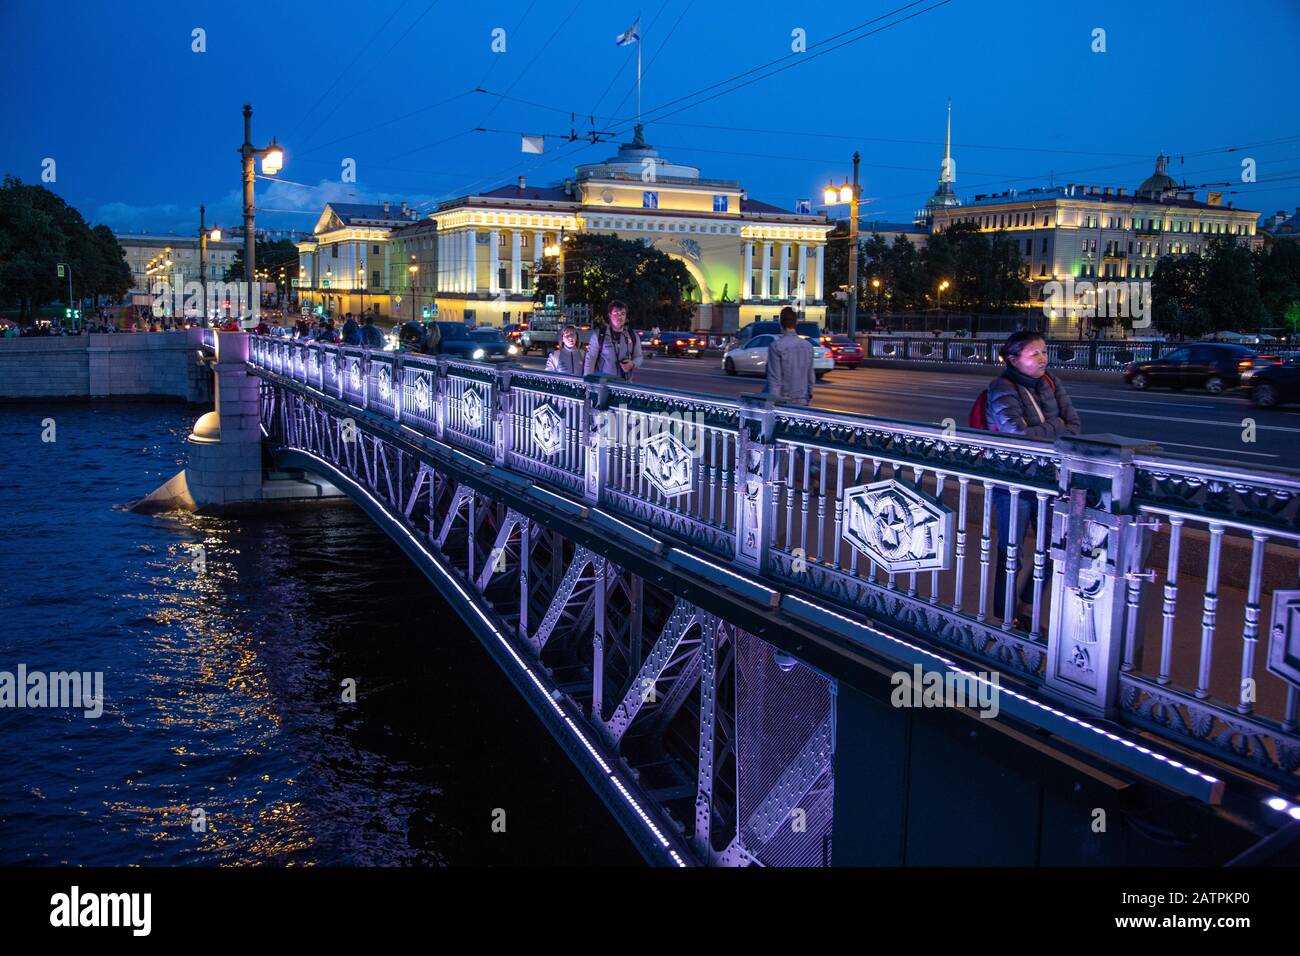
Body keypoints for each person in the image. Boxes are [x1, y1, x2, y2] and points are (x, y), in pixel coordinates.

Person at [982, 330, 1082, 625]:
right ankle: (1004, 615)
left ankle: (1028, 607)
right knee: (1011, 551)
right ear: (1013, 359)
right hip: (1013, 481)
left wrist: (1054, 427)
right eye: (1035, 353)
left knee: (1054, 549)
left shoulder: (1052, 382)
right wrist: (1056, 425)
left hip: (1049, 479)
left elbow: (1075, 425)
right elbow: (1018, 434)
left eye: (1045, 352)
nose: (1043, 358)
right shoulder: (1001, 387)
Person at [765, 306, 815, 406]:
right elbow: (810, 376)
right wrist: (809, 394)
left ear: (780, 323)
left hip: (784, 401)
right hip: (803, 400)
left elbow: (775, 379)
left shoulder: (776, 346)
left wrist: (772, 404)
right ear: (796, 322)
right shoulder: (808, 346)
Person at [584, 299, 643, 381]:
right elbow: (590, 359)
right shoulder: (599, 335)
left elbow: (639, 357)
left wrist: (633, 364)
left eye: (623, 313)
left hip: (625, 383)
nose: (620, 317)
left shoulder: (632, 335)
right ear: (609, 315)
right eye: (616, 313)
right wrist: (588, 382)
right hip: (603, 384)